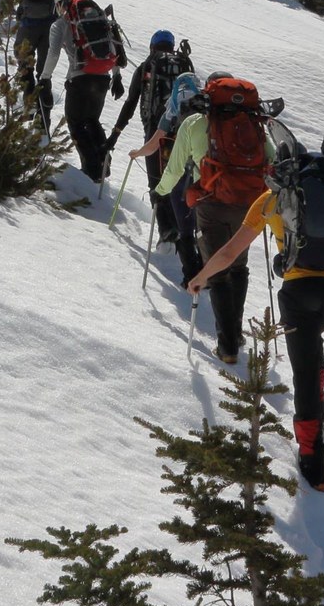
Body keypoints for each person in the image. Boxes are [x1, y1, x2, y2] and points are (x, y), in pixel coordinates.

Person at [185, 134, 324, 492]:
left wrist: (200, 277)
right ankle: (318, 404)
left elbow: (229, 253)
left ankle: (314, 463)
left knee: (303, 371)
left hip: (297, 293)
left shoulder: (269, 201)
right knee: (311, 350)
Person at [152, 74, 271, 363]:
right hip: (249, 202)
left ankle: (227, 344)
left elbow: (176, 166)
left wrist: (161, 192)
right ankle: (236, 333)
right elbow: (271, 160)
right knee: (238, 264)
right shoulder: (253, 123)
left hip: (210, 201)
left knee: (217, 268)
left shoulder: (194, 123)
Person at [110, 31, 194, 243]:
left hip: (156, 129)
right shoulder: (184, 65)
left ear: (151, 46)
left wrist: (115, 133)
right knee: (182, 179)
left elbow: (131, 102)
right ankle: (185, 232)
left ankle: (166, 232)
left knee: (156, 182)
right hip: (185, 130)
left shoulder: (147, 66)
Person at [40, 0, 126, 181]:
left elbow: (52, 54)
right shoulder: (97, 18)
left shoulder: (60, 24)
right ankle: (104, 161)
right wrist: (117, 76)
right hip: (103, 79)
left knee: (76, 123)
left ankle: (91, 171)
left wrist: (45, 78)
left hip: (79, 79)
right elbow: (111, 47)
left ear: (60, 3)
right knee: (92, 120)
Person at [130, 68, 205, 283]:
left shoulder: (173, 109)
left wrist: (138, 153)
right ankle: (207, 273)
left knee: (185, 228)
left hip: (179, 173)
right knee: (203, 226)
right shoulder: (207, 107)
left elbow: (154, 144)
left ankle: (190, 277)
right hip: (205, 175)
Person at [9, 0, 68, 130]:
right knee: (45, 73)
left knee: (24, 66)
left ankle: (30, 105)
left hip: (28, 25)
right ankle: (44, 121)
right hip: (50, 27)